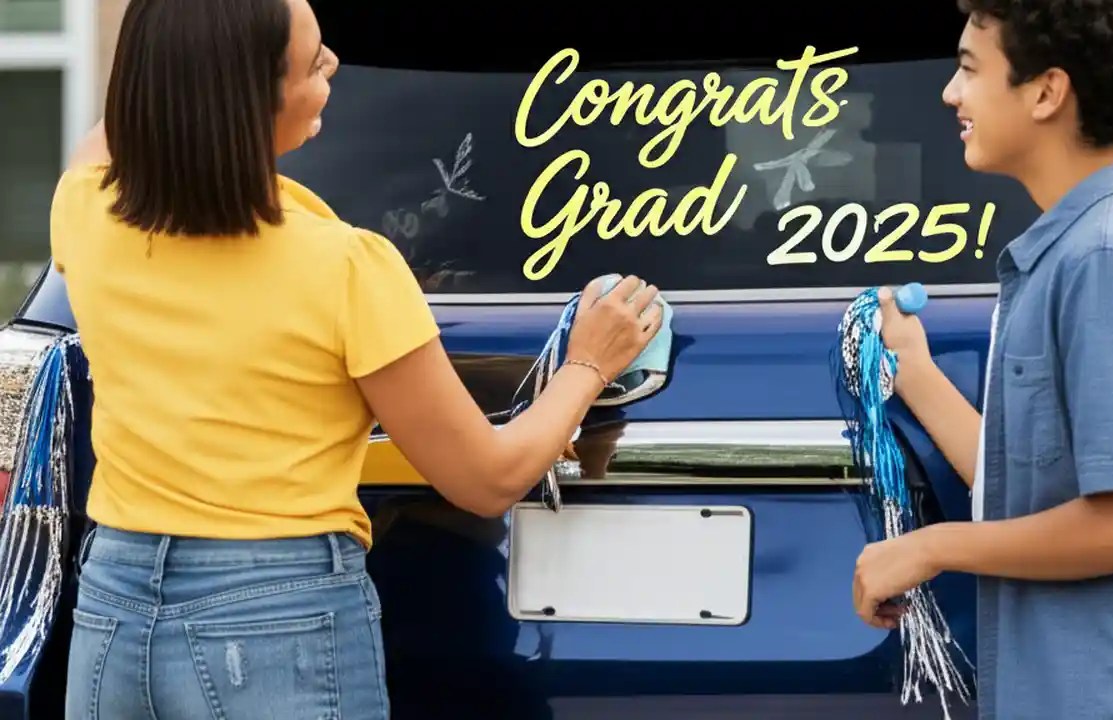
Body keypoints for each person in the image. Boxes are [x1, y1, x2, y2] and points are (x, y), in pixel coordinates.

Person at [53, 0, 663, 717]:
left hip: (113, 613)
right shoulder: (346, 269)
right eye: (315, 64)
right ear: (247, 102)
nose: (335, 65)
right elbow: (487, 478)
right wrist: (589, 364)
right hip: (276, 623)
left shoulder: (87, 210)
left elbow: (118, 130)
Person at [850, 1, 1113, 718]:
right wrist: (915, 374)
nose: (950, 93)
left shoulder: (1108, 262)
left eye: (969, 69)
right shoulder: (1075, 250)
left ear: (1046, 92)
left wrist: (932, 547)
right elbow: (1036, 488)